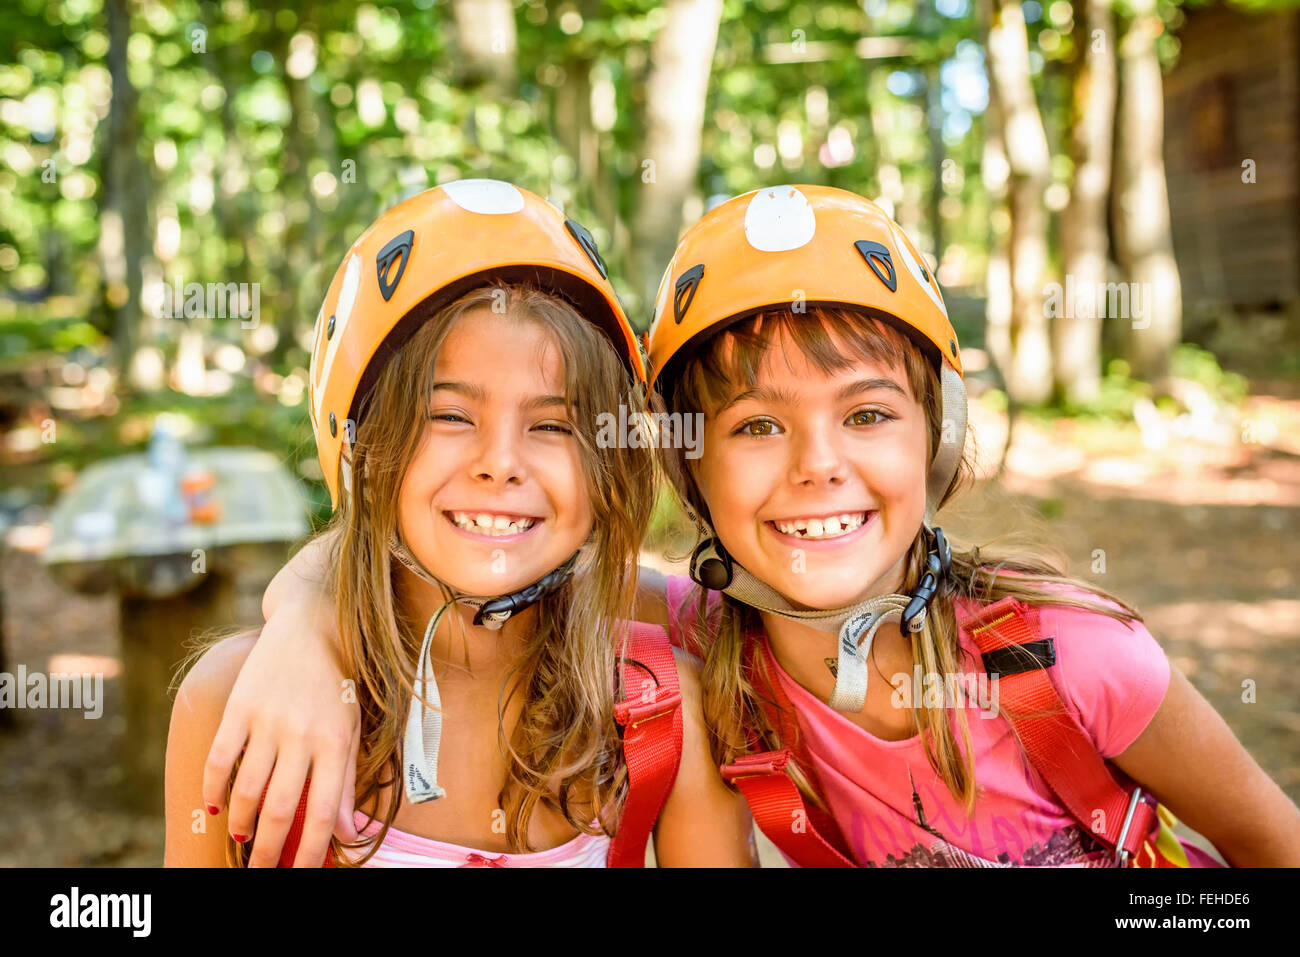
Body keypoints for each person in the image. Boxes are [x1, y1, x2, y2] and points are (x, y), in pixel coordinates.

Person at [207, 184, 1300, 867]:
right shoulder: (704, 644)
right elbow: (481, 555)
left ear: (937, 438)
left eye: (867, 413)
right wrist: (301, 624)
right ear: (689, 465)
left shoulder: (1074, 661)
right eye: (758, 427)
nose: (817, 466)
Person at [164, 179, 753, 867]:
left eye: (554, 424)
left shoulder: (661, 703)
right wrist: (301, 618)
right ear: (362, 443)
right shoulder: (234, 700)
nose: (500, 463)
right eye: (448, 415)